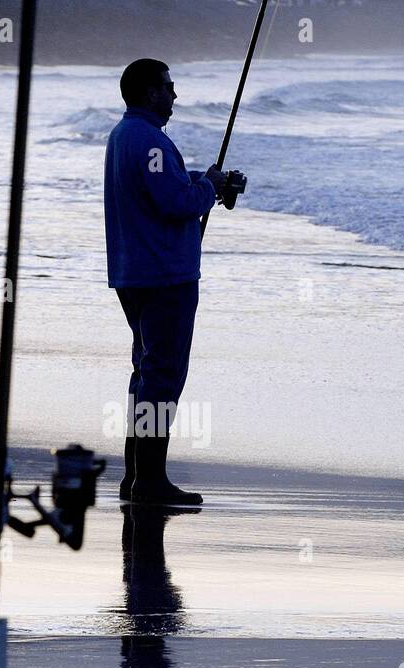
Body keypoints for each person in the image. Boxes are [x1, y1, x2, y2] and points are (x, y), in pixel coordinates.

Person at [104, 58, 241, 506]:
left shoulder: (126, 136)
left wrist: (208, 182)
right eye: (168, 86)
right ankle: (150, 481)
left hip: (135, 272)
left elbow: (166, 190)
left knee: (146, 373)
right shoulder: (149, 141)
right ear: (147, 92)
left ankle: (135, 477)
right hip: (165, 275)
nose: (174, 95)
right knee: (162, 377)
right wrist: (208, 189)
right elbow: (175, 202)